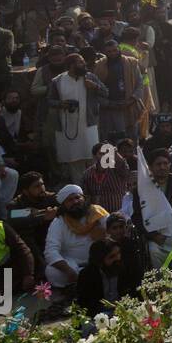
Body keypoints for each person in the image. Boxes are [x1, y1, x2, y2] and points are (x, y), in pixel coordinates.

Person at [49, 53, 108, 182]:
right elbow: (50, 101)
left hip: (88, 124)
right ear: (71, 66)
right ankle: (80, 192)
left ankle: (96, 187)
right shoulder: (58, 81)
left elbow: (105, 92)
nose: (84, 64)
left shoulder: (90, 77)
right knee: (73, 160)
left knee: (92, 156)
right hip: (66, 126)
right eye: (80, 62)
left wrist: (95, 86)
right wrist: (61, 104)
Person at [43, 185, 108, 292]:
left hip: (100, 261)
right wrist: (68, 271)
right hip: (73, 267)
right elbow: (50, 251)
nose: (75, 202)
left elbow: (114, 230)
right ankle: (81, 280)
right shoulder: (59, 222)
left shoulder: (97, 213)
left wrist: (105, 235)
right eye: (70, 200)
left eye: (77, 198)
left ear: (84, 198)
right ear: (64, 205)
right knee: (51, 271)